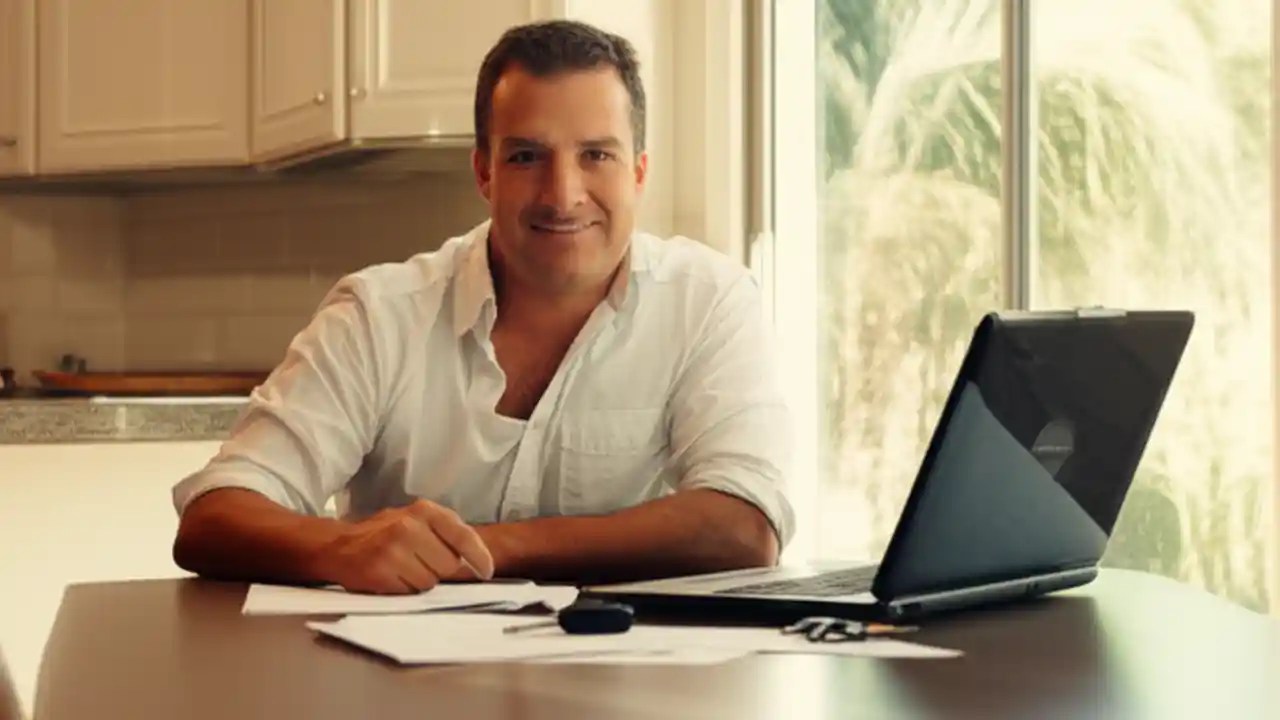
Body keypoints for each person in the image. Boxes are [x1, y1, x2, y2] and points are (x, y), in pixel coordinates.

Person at [171, 19, 794, 594]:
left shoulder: (710, 303)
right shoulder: (380, 315)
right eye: (527, 156)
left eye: (596, 155)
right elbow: (214, 515)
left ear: (638, 171)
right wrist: (340, 546)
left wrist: (489, 549)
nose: (563, 194)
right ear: (483, 172)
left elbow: (744, 526)